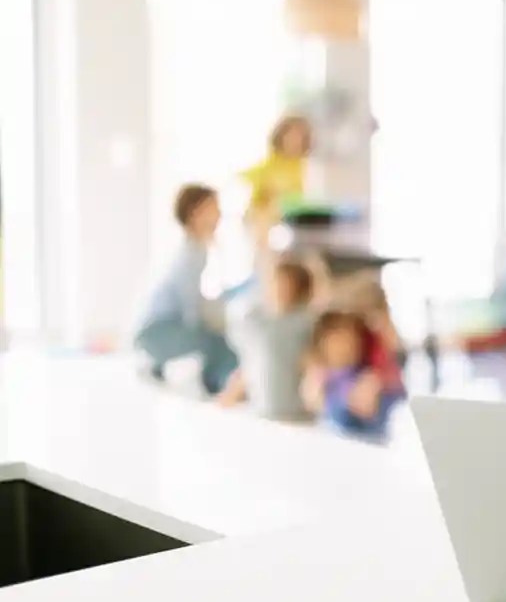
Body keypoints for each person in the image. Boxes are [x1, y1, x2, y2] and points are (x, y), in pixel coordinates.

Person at [135, 184, 239, 395]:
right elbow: (190, 308)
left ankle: (157, 365)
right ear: (195, 213)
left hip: (153, 330)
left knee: (215, 336)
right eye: (213, 208)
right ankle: (218, 384)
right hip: (157, 331)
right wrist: (216, 326)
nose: (219, 215)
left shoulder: (195, 248)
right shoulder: (192, 253)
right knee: (219, 344)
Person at [218, 257, 316, 417]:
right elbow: (251, 364)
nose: (280, 289)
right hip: (262, 410)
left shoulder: (304, 323)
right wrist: (229, 395)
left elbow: (312, 362)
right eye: (278, 283)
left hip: (294, 411)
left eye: (288, 284)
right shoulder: (260, 324)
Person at [301, 310, 405, 442]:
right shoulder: (320, 377)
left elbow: (395, 401)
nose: (349, 345)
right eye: (339, 340)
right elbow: (317, 405)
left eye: (353, 338)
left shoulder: (368, 376)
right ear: (323, 343)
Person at [241, 114, 313, 248]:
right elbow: (256, 201)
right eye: (291, 135)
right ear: (281, 136)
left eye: (299, 136)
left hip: (298, 225)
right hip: (267, 225)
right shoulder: (267, 167)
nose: (295, 141)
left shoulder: (308, 168)